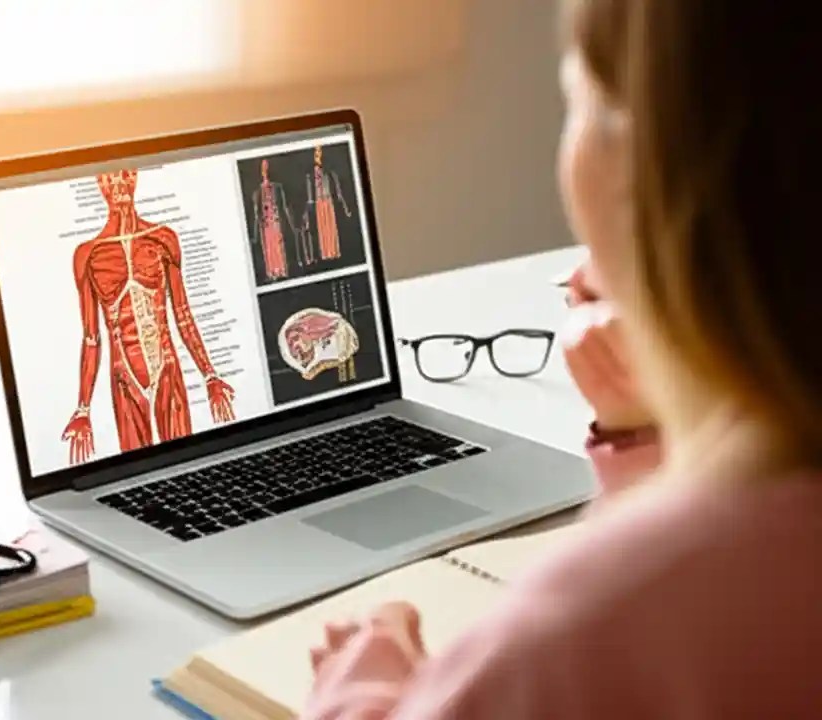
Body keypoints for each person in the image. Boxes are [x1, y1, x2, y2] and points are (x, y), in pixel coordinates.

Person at [302, 0, 822, 717]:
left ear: (647, 171)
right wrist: (648, 438)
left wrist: (364, 685)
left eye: (577, 95)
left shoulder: (590, 620)